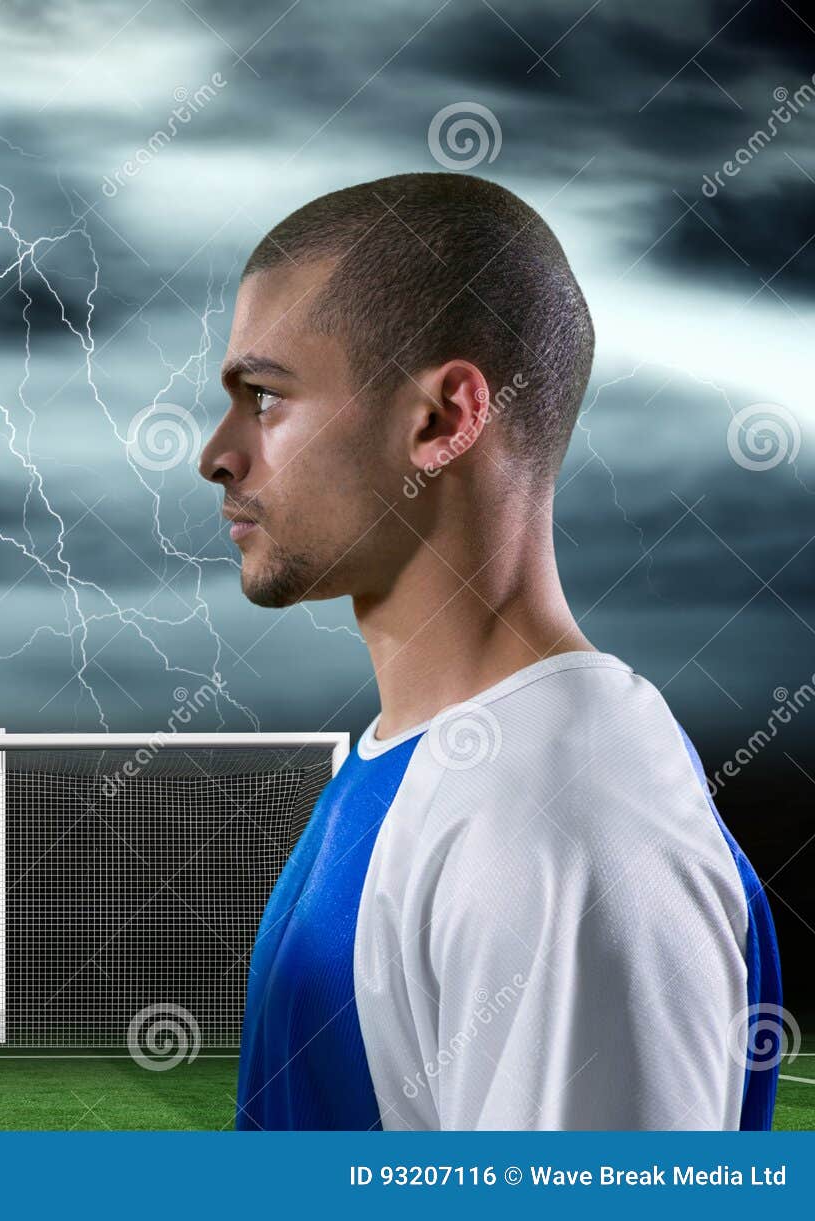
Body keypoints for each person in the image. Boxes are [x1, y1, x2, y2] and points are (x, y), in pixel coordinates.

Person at [201, 172, 780, 1130]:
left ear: (443, 419)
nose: (217, 452)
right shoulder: (429, 757)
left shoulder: (556, 825)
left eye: (263, 397)